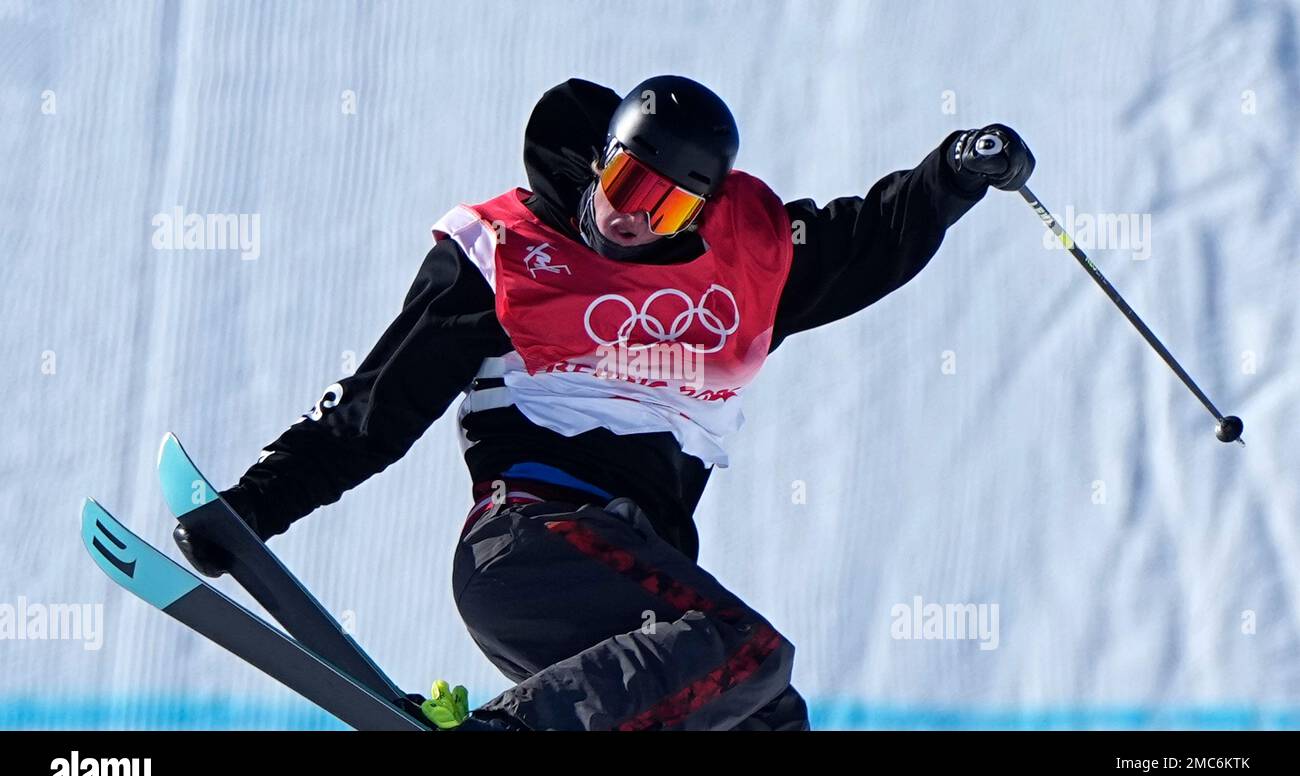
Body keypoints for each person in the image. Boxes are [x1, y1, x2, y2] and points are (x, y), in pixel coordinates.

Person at [175, 76, 1034, 731]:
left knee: (769, 714)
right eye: (624, 183)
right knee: (745, 648)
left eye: (663, 204)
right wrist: (252, 508)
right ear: (601, 158)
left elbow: (872, 236)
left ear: (700, 208)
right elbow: (373, 411)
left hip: (632, 597)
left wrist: (955, 169)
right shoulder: (509, 255)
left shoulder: (749, 265)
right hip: (533, 547)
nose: (630, 217)